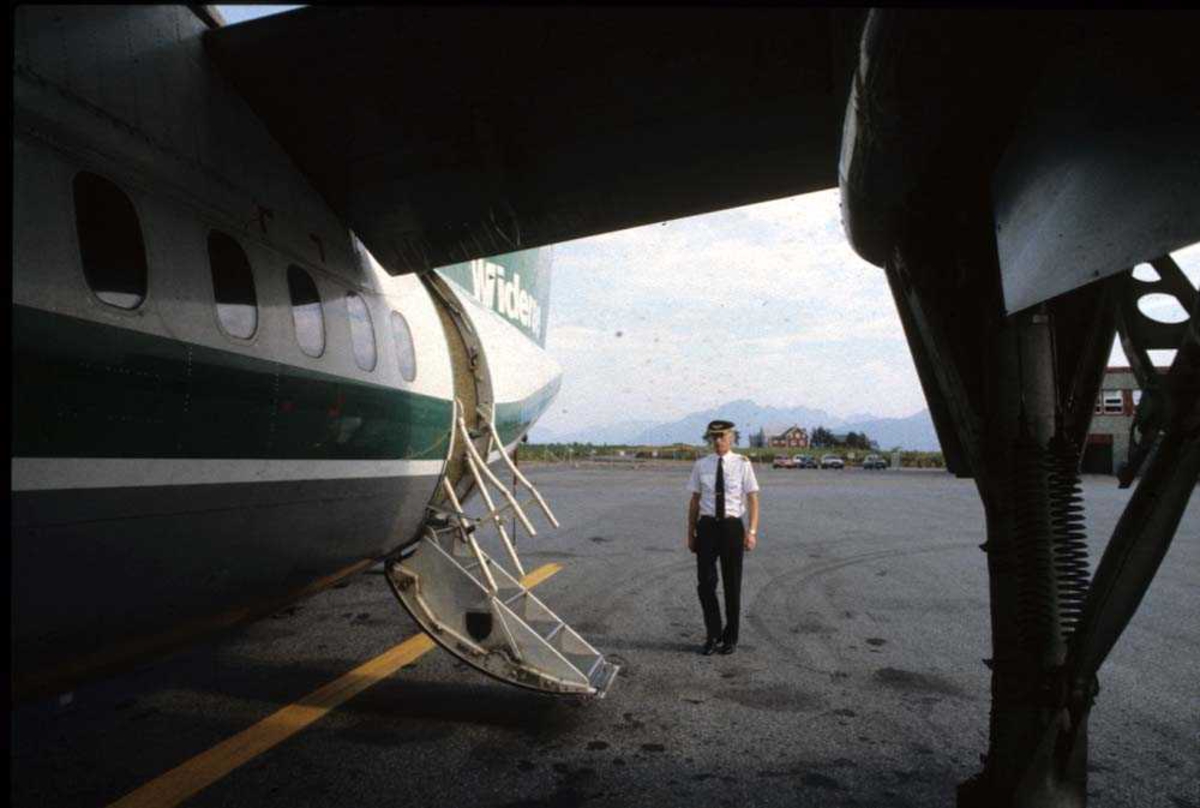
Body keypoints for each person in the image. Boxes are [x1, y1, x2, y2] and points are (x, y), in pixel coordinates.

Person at [686, 419, 760, 655]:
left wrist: (752, 532)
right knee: (705, 585)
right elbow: (695, 500)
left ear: (731, 438)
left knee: (732, 584)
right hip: (707, 528)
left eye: (723, 437)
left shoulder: (742, 464)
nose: (718, 441)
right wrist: (690, 531)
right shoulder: (701, 465)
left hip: (731, 528)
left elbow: (752, 499)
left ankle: (731, 638)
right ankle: (713, 634)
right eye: (714, 437)